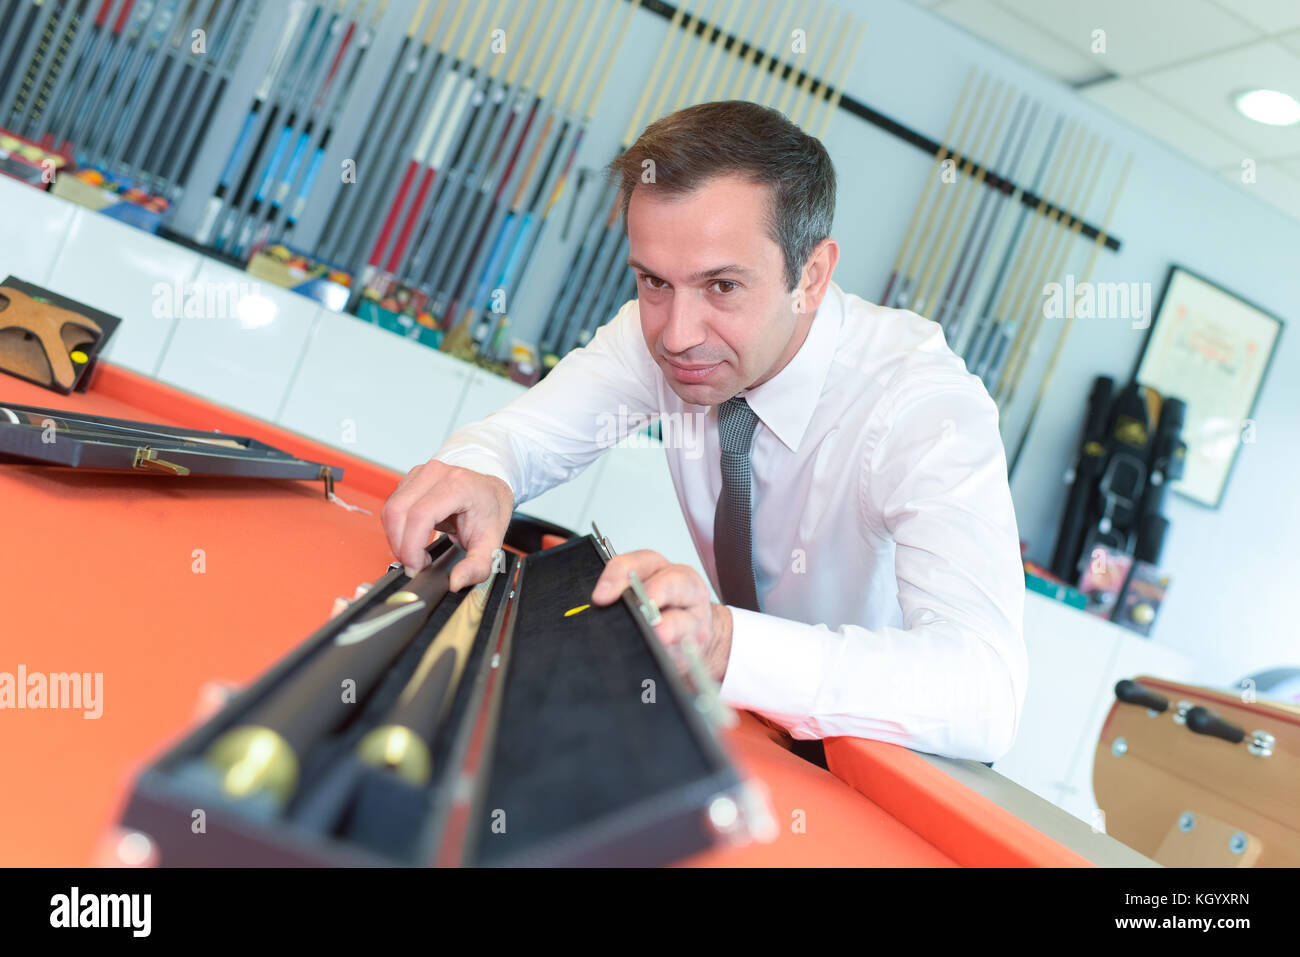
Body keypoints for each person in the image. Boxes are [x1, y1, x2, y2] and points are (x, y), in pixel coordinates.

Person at [382, 100, 1026, 764]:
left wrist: (727, 643)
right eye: (652, 280)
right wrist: (482, 470)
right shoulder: (659, 331)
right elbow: (517, 441)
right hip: (752, 728)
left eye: (722, 285)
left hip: (902, 767)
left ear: (810, 274)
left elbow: (984, 691)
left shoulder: (923, 407)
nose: (678, 334)